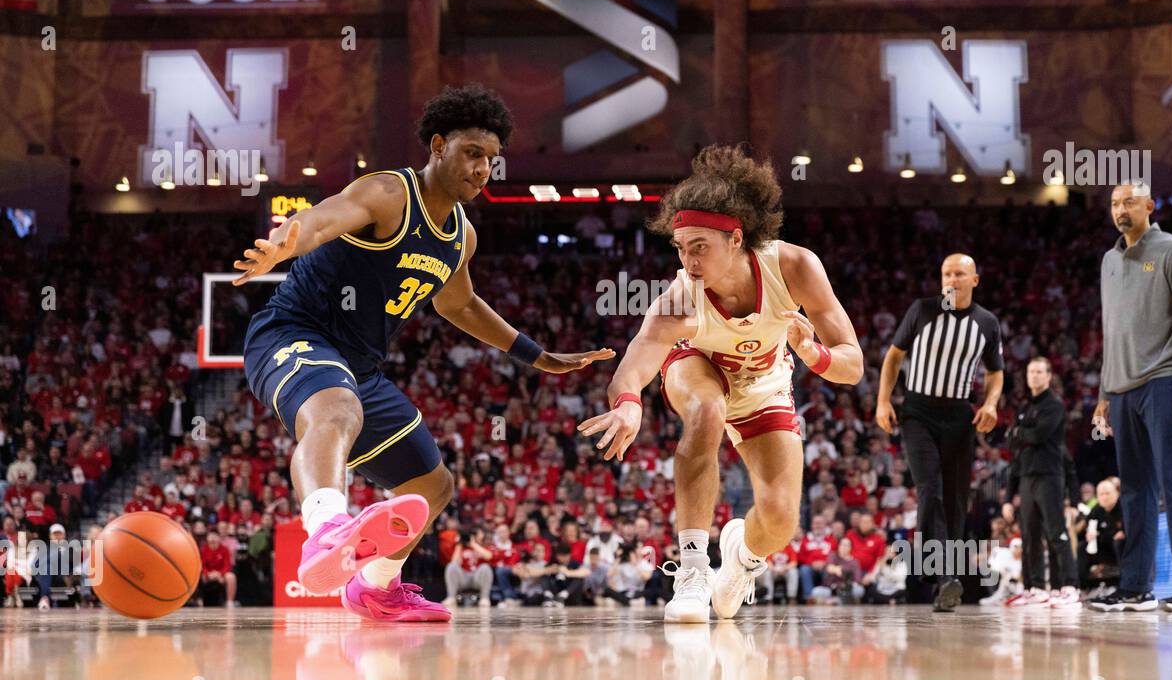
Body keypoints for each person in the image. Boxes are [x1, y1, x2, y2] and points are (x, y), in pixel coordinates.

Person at [235, 85, 612, 623]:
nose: (484, 169)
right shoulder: (389, 192)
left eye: (492, 160)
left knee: (431, 486)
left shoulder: (462, 236)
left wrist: (536, 355)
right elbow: (324, 218)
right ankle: (323, 531)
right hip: (295, 333)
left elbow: (460, 305)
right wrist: (284, 243)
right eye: (473, 154)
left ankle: (374, 587)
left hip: (360, 369)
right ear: (438, 145)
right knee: (336, 410)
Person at [579, 145, 863, 623]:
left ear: (735, 240)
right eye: (681, 248)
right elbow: (636, 359)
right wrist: (628, 402)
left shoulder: (794, 267)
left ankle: (742, 559)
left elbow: (852, 366)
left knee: (779, 517)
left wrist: (813, 354)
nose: (688, 261)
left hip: (765, 383)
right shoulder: (681, 298)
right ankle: (692, 569)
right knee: (706, 410)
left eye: (699, 247)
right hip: (699, 366)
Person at [1091, 183, 1172, 613]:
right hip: (1122, 390)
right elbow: (1113, 332)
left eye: (1128, 201)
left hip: (1165, 381)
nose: (1120, 209)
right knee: (1134, 491)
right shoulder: (1109, 261)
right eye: (1114, 203)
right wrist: (1106, 390)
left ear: (1149, 206)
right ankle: (1134, 587)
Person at [876, 253, 1004, 612]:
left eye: (959, 274)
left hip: (961, 414)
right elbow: (893, 356)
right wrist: (883, 401)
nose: (952, 279)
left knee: (955, 500)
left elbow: (996, 372)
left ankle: (943, 581)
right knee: (929, 489)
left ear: (974, 280)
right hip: (917, 411)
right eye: (947, 273)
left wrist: (991, 403)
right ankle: (946, 576)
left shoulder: (986, 323)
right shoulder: (921, 309)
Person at [1008, 357, 1078, 609]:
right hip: (1027, 477)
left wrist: (1019, 432)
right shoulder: (1025, 406)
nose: (1034, 376)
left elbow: (1038, 435)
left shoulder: (1055, 405)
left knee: (1056, 533)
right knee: (1030, 535)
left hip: (1049, 475)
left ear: (1049, 376)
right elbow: (1011, 441)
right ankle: (1035, 588)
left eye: (1039, 372)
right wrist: (1019, 434)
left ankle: (1070, 587)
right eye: (1031, 372)